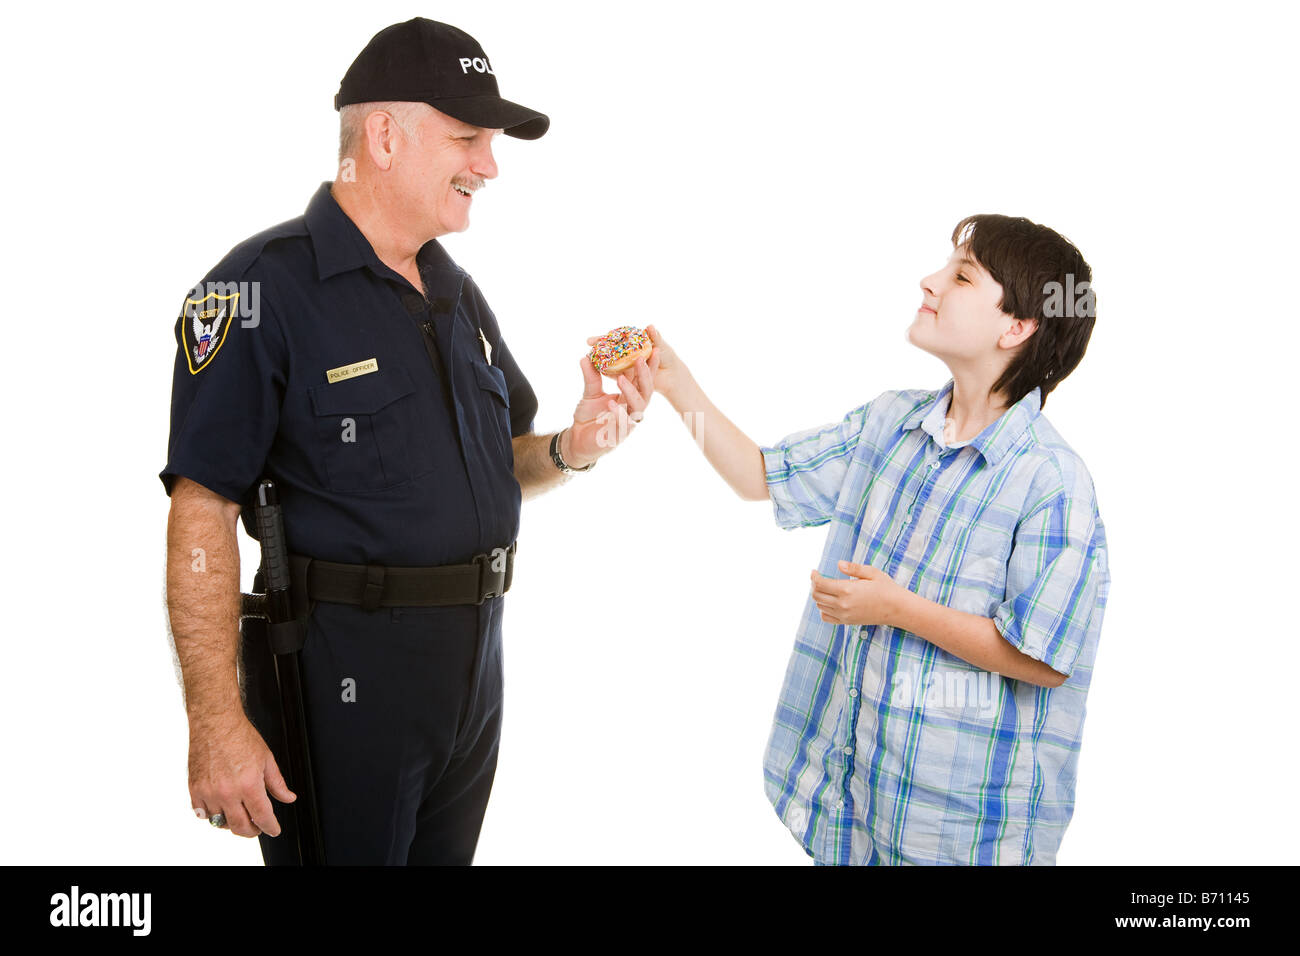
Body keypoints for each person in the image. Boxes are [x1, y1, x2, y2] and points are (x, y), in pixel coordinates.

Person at [161, 17, 654, 865]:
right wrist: (215, 720)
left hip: (473, 677)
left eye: (492, 142)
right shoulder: (254, 291)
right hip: (346, 681)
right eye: (468, 137)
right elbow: (202, 509)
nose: (490, 166)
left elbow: (501, 459)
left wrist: (573, 448)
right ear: (383, 137)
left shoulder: (453, 292)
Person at [647, 214, 1109, 865]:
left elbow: (1044, 658)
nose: (930, 281)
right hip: (851, 809)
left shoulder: (1051, 482)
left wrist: (897, 609)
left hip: (957, 836)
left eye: (962, 275)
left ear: (1018, 326)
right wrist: (676, 384)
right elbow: (761, 476)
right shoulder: (891, 422)